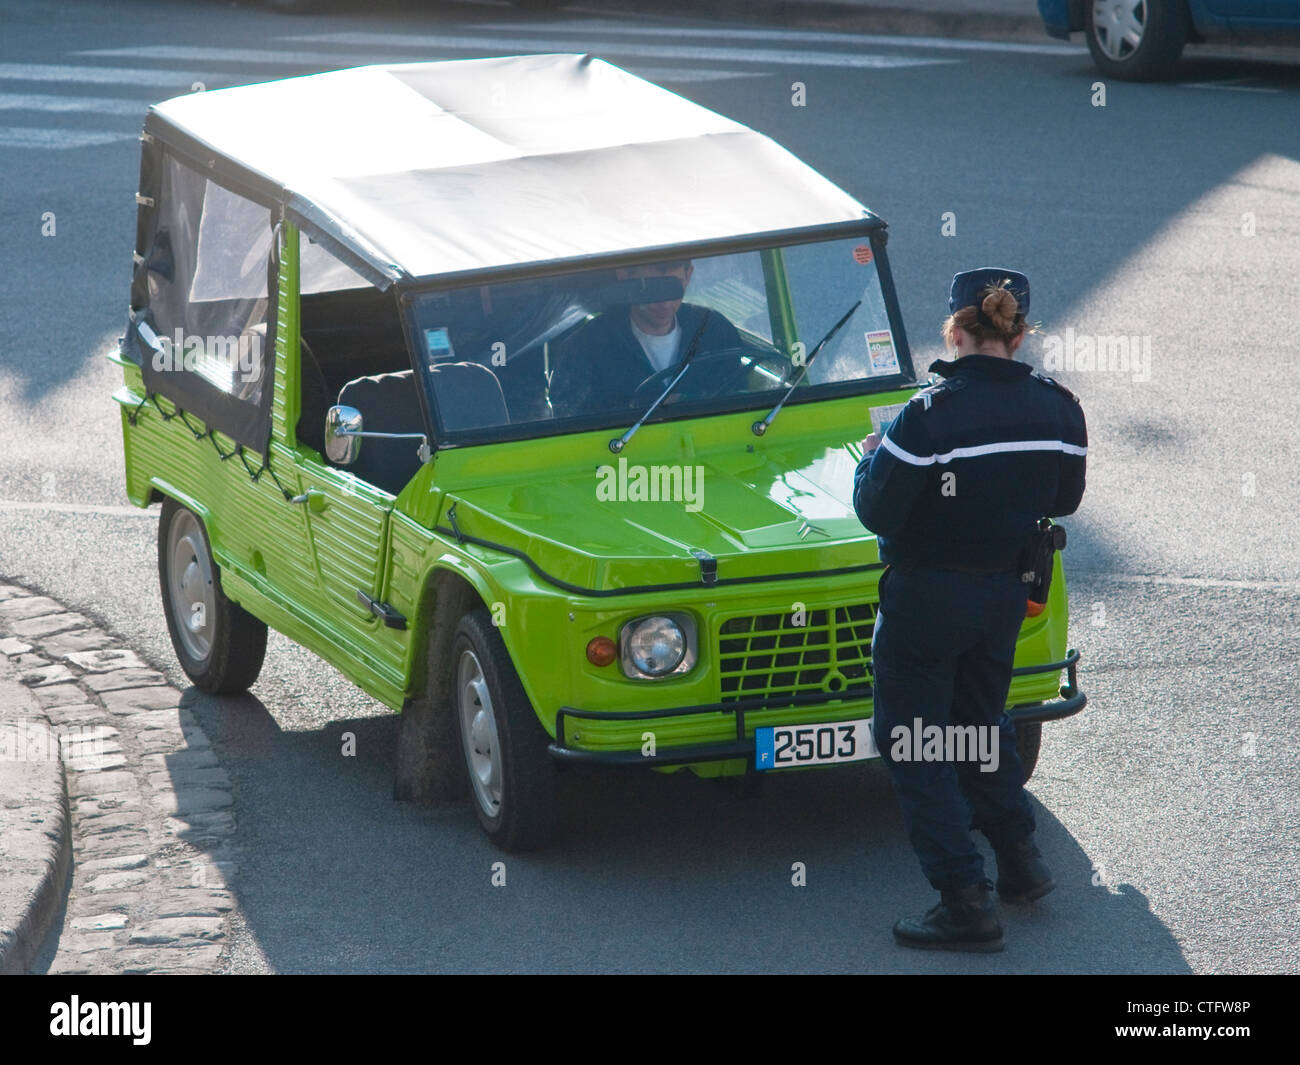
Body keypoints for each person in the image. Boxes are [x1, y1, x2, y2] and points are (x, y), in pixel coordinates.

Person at [852, 267, 1087, 952]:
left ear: (955, 330)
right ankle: (1020, 860)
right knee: (982, 723)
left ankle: (964, 898)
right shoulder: (1060, 408)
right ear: (1019, 332)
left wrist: (870, 459)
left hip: (928, 598)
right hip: (1004, 594)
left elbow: (875, 508)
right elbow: (1065, 497)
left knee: (915, 742)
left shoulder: (928, 416)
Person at [547, 258, 742, 417]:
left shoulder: (715, 331)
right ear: (624, 275)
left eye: (672, 288)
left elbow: (740, 401)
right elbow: (570, 425)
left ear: (687, 275)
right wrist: (639, 408)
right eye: (652, 289)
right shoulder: (583, 349)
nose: (663, 302)